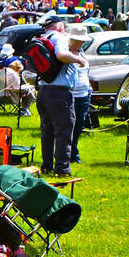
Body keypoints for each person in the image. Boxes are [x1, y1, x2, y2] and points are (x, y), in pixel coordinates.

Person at [36, 13, 88, 177]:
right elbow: (61, 55)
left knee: (47, 131)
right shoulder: (59, 37)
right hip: (59, 93)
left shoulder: (43, 38)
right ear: (60, 26)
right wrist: (78, 60)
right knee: (64, 130)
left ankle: (47, 166)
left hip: (43, 90)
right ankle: (62, 169)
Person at [66, 24, 91, 164]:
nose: (81, 43)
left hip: (84, 94)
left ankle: (72, 151)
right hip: (71, 94)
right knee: (69, 125)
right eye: (78, 40)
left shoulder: (81, 52)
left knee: (79, 124)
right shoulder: (65, 53)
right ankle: (71, 154)